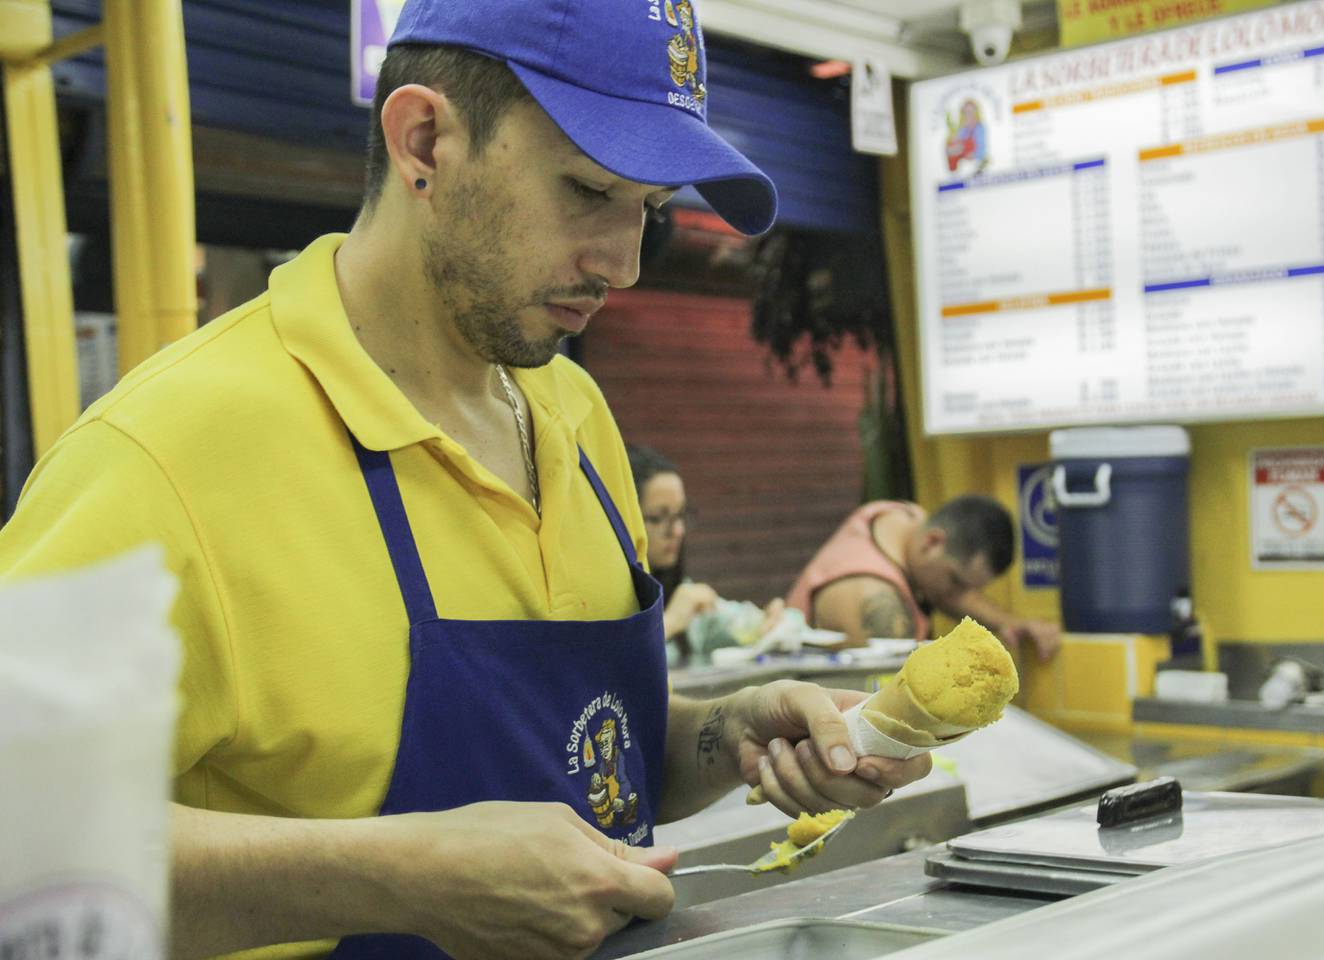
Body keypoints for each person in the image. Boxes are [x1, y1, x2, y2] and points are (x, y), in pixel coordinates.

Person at [0, 2, 931, 958]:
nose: (624, 265)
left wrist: (725, 735)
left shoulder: (573, 414)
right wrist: (397, 877)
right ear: (424, 142)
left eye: (650, 210)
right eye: (588, 190)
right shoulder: (169, 455)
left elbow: (579, 751)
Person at [786, 497, 1062, 660]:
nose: (960, 594)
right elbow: (895, 709)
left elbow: (952, 595)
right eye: (955, 581)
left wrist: (1012, 623)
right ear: (933, 542)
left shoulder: (904, 517)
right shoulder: (873, 600)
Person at [626, 443, 783, 662]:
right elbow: (605, 667)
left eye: (680, 515)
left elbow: (758, 624)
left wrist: (772, 618)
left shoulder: (682, 593)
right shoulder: (606, 601)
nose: (678, 531)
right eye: (659, 518)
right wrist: (669, 622)